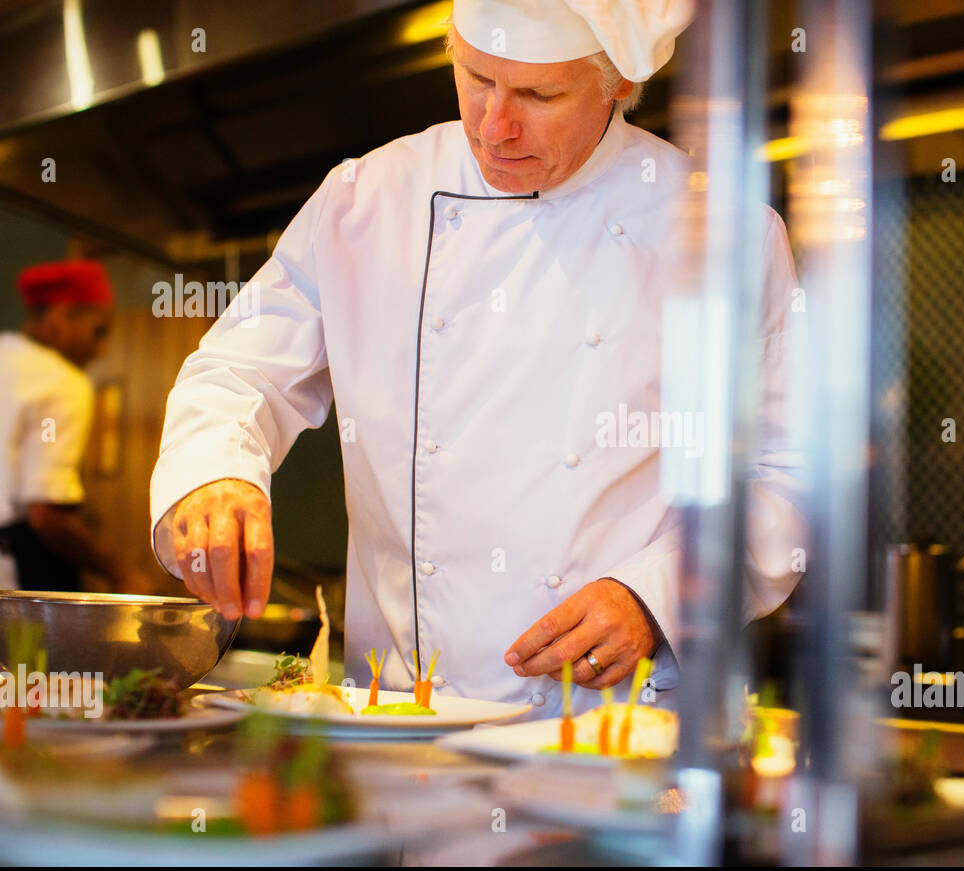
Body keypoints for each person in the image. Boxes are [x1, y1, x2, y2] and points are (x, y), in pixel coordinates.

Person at [149, 0, 805, 717]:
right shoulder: (365, 200)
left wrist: (659, 595)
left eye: (539, 94)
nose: (494, 126)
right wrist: (214, 475)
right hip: (402, 720)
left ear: (618, 82)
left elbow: (790, 469)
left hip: (612, 724)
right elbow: (238, 371)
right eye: (475, 77)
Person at [0, 260, 150, 594]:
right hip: (16, 578)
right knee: (33, 650)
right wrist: (120, 573)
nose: (101, 350)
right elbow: (45, 512)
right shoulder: (61, 382)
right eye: (99, 331)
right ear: (60, 316)